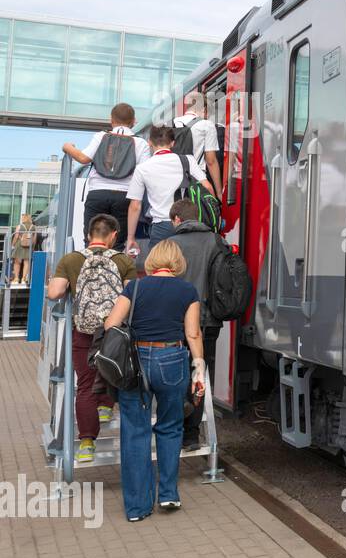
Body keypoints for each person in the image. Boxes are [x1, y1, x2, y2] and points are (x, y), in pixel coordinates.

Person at [102, 240, 204, 522]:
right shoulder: (187, 290)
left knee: (135, 431)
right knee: (171, 427)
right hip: (172, 358)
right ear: (177, 263)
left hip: (135, 361)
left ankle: (137, 508)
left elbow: (110, 324)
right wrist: (199, 369)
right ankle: (169, 494)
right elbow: (193, 334)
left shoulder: (134, 287)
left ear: (152, 261)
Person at [46, 214, 137, 463]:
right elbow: (132, 298)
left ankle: (86, 442)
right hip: (112, 331)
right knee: (111, 369)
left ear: (88, 235)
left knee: (85, 385)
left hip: (83, 331)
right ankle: (106, 408)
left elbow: (54, 292)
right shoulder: (123, 260)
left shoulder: (72, 259)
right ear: (114, 236)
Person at [166, 199, 224, 445]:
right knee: (200, 374)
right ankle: (191, 435)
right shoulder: (216, 241)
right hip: (208, 320)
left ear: (177, 219)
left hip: (176, 322)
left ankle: (173, 428)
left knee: (175, 374)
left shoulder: (169, 244)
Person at [61, 102, 151, 250]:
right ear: (134, 121)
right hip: (125, 196)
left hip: (98, 194)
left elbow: (83, 158)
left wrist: (67, 147)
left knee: (91, 240)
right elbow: (145, 172)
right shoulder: (140, 143)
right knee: (118, 243)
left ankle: (91, 270)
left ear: (111, 120)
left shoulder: (101, 136)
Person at [125, 123, 211, 252]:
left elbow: (135, 206)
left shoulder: (142, 168)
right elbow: (207, 187)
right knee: (187, 266)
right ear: (172, 143)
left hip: (160, 226)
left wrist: (130, 238)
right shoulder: (187, 160)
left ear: (149, 142)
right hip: (187, 224)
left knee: (160, 267)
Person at [175, 92, 223, 201]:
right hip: (196, 181)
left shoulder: (171, 123)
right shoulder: (206, 125)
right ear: (204, 109)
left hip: (173, 182)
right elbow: (211, 161)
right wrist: (218, 192)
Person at [9, 213, 35, 286]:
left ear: (23, 218)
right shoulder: (33, 227)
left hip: (19, 246)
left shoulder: (19, 226)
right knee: (27, 262)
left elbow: (16, 236)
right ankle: (23, 279)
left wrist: (12, 245)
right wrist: (32, 247)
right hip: (28, 247)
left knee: (17, 262)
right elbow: (34, 239)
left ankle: (16, 279)